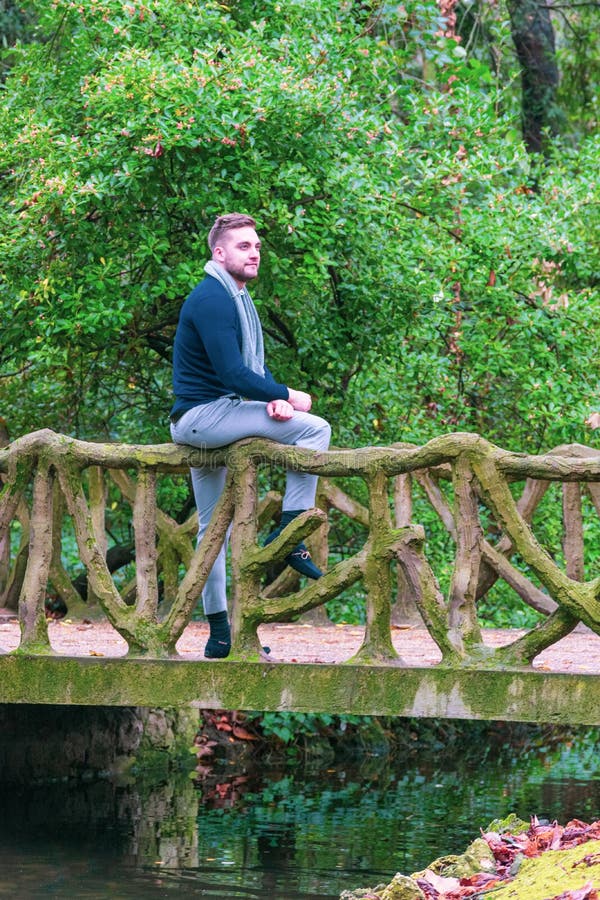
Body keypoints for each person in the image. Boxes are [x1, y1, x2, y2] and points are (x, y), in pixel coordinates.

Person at [170, 213, 331, 658]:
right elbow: (232, 374)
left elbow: (251, 372)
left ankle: (219, 635)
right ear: (218, 253)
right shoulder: (212, 300)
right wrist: (287, 395)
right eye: (243, 246)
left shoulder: (237, 298)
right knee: (316, 429)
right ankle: (291, 532)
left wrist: (273, 399)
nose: (255, 252)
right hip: (205, 419)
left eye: (257, 245)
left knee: (211, 532)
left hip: (211, 419)